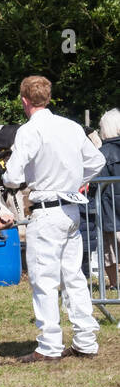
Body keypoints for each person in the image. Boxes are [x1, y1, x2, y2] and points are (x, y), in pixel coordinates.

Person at [3, 76, 106, 362]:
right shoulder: (71, 127)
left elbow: (12, 177)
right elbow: (97, 162)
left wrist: (13, 178)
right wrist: (76, 182)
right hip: (71, 208)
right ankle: (86, 340)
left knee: (44, 278)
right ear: (48, 98)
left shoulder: (29, 131)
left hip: (47, 210)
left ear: (24, 101)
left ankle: (49, 345)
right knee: (73, 276)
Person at [82, 108, 120, 289]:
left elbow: (94, 184)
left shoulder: (101, 154)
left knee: (109, 251)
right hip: (110, 210)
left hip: (109, 211)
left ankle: (114, 284)